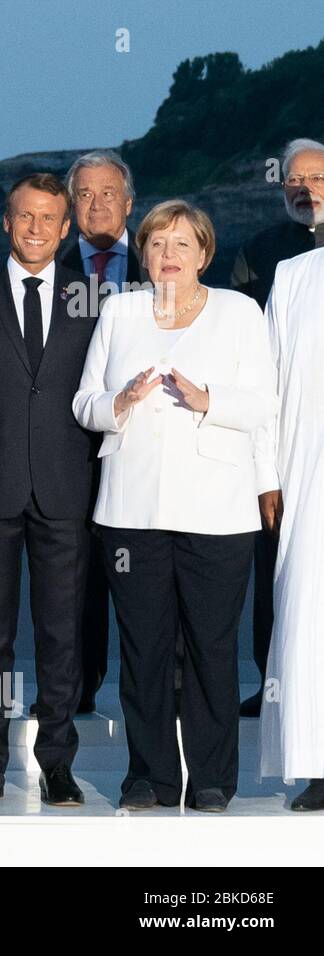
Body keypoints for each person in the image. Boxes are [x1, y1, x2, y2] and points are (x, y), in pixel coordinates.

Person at [73, 200, 275, 812]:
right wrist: (121, 401)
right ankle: (150, 777)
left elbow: (264, 404)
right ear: (143, 252)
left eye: (182, 245)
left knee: (213, 648)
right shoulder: (120, 310)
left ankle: (212, 778)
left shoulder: (239, 312)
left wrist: (207, 398)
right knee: (144, 647)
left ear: (204, 255)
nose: (168, 255)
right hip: (132, 512)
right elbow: (85, 403)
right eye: (158, 243)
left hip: (217, 510)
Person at [0, 174, 95, 807]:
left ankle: (56, 762)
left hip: (67, 492)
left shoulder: (92, 298)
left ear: (67, 229)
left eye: (49, 219)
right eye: (25, 217)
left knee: (62, 634)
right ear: (6, 223)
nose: (37, 228)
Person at [228, 137, 324, 718]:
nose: (305, 190)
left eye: (317, 179)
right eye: (295, 180)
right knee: (279, 569)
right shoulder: (263, 253)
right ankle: (275, 683)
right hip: (285, 437)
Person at [60, 149, 139, 714]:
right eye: (84, 194)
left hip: (147, 450)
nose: (97, 204)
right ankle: (78, 690)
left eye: (108, 193)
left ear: (129, 203)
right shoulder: (50, 269)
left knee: (151, 579)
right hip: (70, 449)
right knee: (77, 579)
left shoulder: (167, 264)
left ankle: (166, 693)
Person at [256, 244, 324, 811]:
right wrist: (265, 476)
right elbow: (266, 384)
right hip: (308, 478)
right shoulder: (294, 273)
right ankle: (318, 766)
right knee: (308, 616)